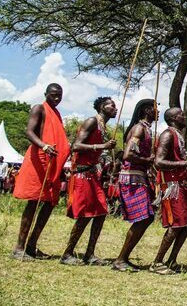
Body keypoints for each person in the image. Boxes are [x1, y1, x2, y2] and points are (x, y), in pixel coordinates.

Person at [11, 83, 70, 260]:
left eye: (59, 95)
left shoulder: (57, 114)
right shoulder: (39, 108)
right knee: (33, 202)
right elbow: (29, 131)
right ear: (46, 94)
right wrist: (43, 145)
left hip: (53, 162)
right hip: (40, 159)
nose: (57, 98)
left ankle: (31, 245)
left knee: (50, 203)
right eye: (53, 95)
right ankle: (19, 248)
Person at [60, 97, 117, 266]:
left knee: (101, 212)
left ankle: (89, 253)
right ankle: (67, 254)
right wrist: (101, 147)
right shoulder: (92, 121)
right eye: (111, 105)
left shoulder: (102, 126)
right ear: (101, 107)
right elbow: (76, 146)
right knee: (85, 215)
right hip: (82, 173)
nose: (115, 108)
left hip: (92, 175)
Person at [150, 107, 187, 275]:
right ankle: (157, 262)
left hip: (181, 184)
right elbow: (159, 162)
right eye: (182, 115)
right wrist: (184, 164)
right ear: (173, 118)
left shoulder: (178, 135)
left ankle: (172, 259)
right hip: (171, 187)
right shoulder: (167, 134)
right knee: (176, 224)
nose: (185, 117)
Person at [113, 99, 157, 272]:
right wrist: (147, 160)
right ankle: (120, 259)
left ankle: (123, 258)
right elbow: (127, 154)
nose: (158, 112)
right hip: (131, 178)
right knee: (144, 217)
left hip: (139, 177)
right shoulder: (139, 128)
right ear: (147, 110)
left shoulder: (146, 129)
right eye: (155, 109)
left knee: (147, 217)